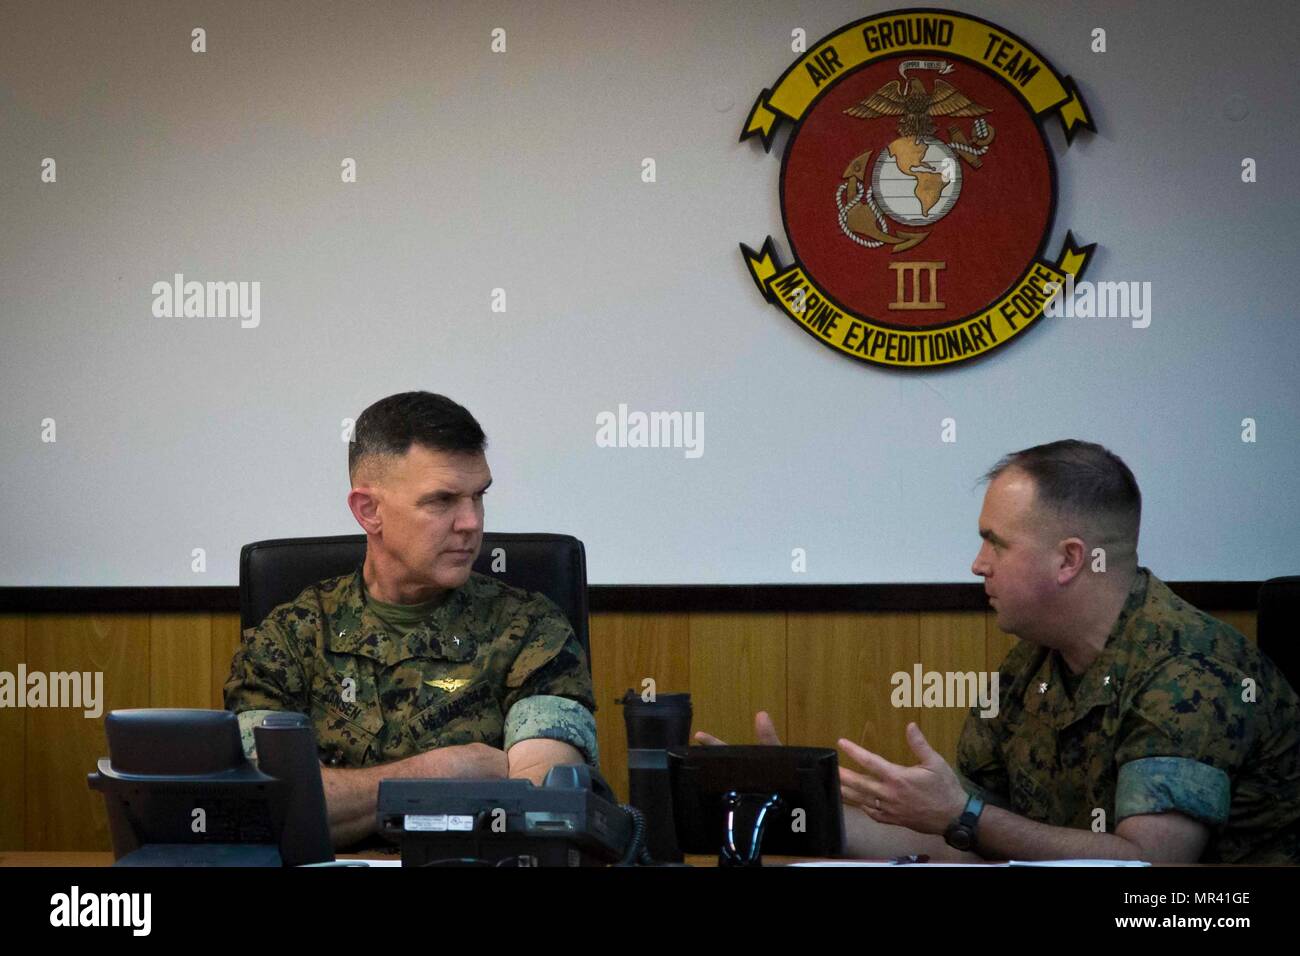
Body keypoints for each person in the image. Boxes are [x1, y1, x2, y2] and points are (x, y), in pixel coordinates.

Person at [697, 440, 1300, 863]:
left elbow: (1147, 872)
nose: (978, 564)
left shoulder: (1188, 669)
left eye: (996, 544)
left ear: (1069, 559)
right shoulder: (1032, 663)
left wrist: (965, 817)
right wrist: (793, 808)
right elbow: (970, 846)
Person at [225, 391, 598, 849]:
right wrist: (446, 771)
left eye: (478, 496)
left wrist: (348, 796)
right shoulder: (288, 638)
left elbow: (543, 807)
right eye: (442, 500)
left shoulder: (531, 630)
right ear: (369, 511)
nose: (471, 523)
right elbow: (268, 807)